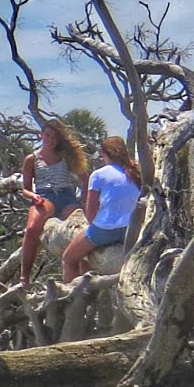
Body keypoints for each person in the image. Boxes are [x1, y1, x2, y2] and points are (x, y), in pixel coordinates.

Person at [18, 119, 88, 285]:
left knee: (80, 230)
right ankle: (25, 277)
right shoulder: (32, 159)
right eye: (47, 135)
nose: (50, 140)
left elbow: (86, 178)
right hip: (45, 196)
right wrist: (33, 196)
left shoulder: (65, 157)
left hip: (67, 196)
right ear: (41, 135)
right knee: (31, 229)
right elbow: (25, 188)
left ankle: (83, 274)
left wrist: (85, 200)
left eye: (54, 137)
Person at [63, 137, 143, 281]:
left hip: (105, 230)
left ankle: (70, 295)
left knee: (69, 258)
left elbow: (91, 213)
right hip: (131, 230)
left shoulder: (98, 175)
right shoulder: (135, 173)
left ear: (104, 153)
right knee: (85, 260)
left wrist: (91, 226)